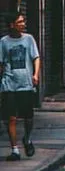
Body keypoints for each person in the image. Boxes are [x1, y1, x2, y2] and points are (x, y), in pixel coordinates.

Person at [0, 13, 40, 161]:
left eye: (23, 21)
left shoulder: (29, 39)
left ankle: (27, 139)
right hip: (9, 85)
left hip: (26, 84)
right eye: (20, 22)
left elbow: (36, 58)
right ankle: (15, 150)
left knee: (28, 117)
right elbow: (1, 63)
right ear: (12, 25)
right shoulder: (4, 42)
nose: (23, 24)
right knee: (11, 118)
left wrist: (36, 75)